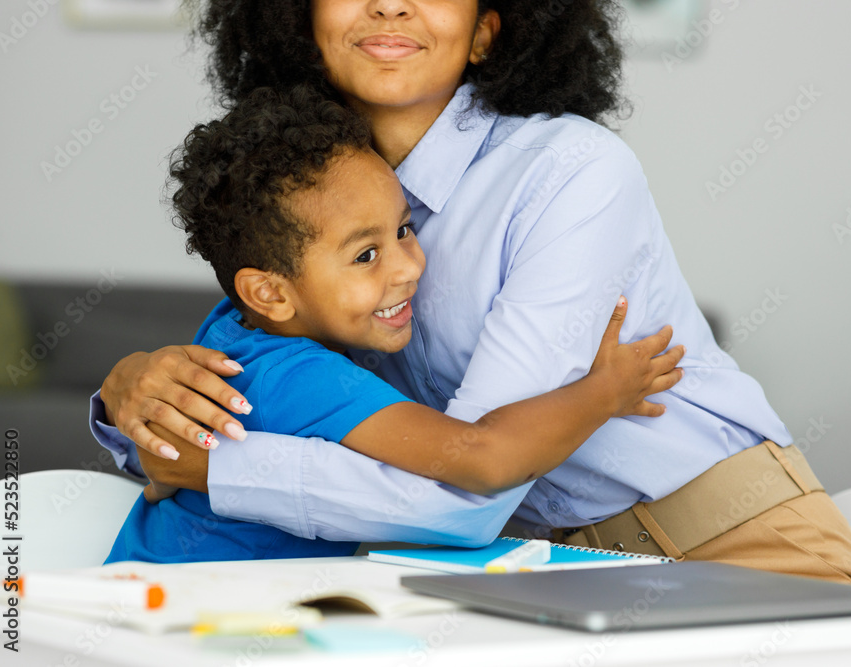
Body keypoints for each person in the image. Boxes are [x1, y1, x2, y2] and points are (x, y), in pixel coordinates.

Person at [92, 0, 851, 585]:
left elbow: (464, 496)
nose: (390, 3)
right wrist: (135, 397)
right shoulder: (306, 197)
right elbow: (272, 373)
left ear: (488, 29)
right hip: (525, 574)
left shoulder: (571, 173)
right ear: (300, 20)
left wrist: (213, 469)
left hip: (732, 547)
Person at [105, 84, 683, 563]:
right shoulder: (304, 377)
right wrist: (603, 393)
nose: (410, 267)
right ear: (269, 292)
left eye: (404, 229)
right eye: (365, 255)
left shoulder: (230, 329)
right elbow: (481, 461)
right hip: (193, 622)